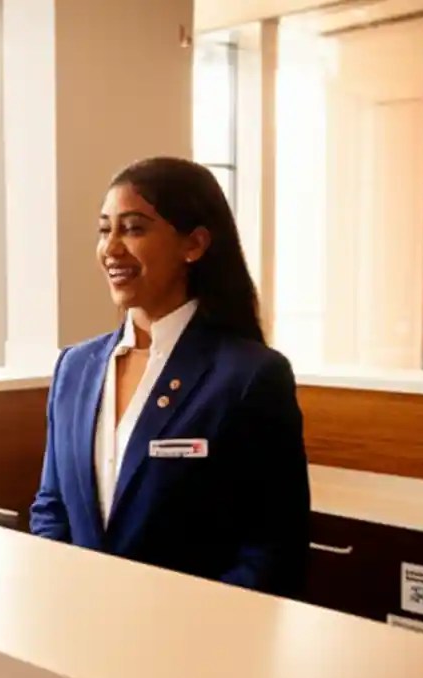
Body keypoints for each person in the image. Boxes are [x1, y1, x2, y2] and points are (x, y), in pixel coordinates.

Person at [30, 157, 310, 597]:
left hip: (195, 631)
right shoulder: (75, 368)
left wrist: (192, 624)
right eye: (105, 230)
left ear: (193, 244)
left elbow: (273, 548)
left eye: (133, 229)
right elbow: (52, 508)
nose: (111, 248)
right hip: (83, 623)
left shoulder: (250, 376)